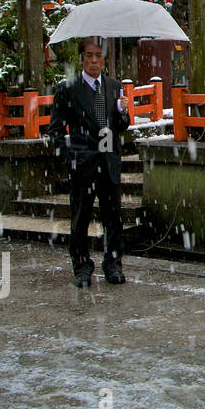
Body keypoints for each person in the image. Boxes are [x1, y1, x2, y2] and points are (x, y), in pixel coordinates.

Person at [48, 38, 130, 287]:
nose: (94, 60)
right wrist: (70, 156)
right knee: (81, 217)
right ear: (82, 58)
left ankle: (113, 264)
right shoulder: (68, 88)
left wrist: (123, 113)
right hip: (82, 162)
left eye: (99, 56)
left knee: (113, 217)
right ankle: (82, 267)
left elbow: (120, 127)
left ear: (104, 59)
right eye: (89, 56)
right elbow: (55, 130)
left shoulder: (114, 87)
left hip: (108, 161)